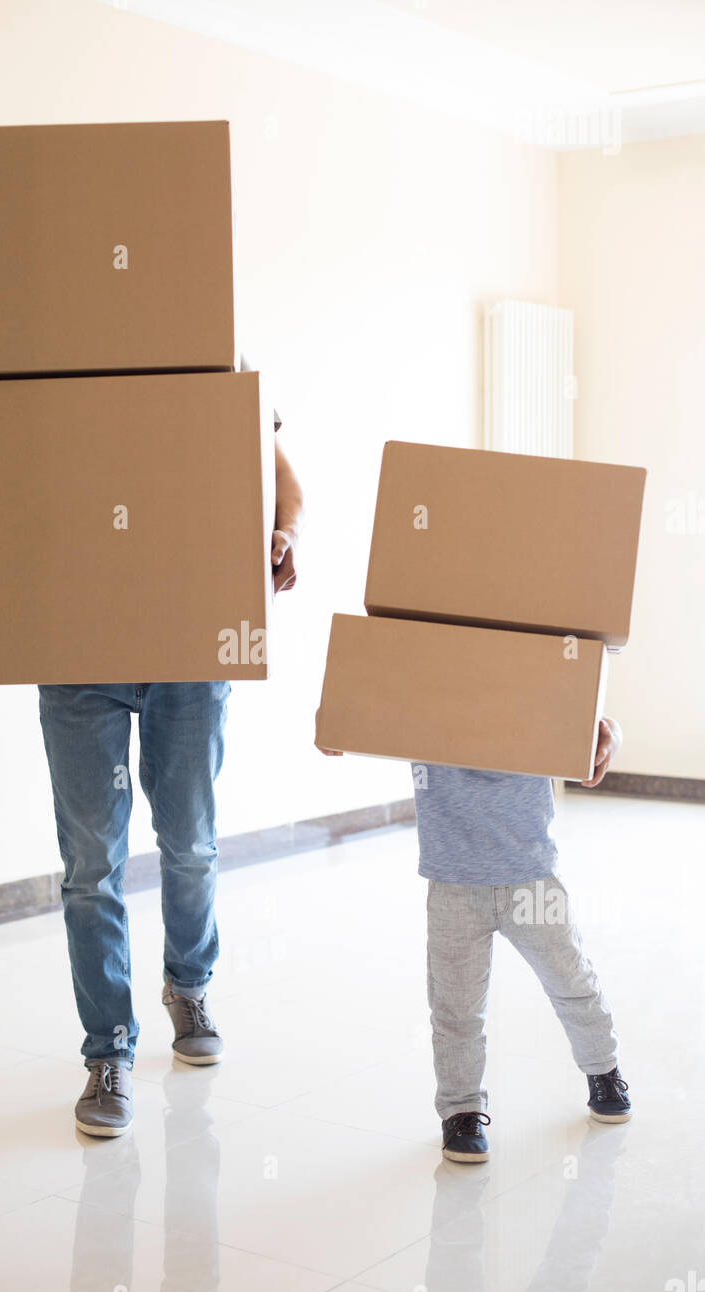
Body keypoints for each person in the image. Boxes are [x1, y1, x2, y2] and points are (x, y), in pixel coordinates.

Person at [41, 376, 303, 1139]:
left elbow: (282, 476)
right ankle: (108, 1050)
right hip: (73, 645)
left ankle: (187, 985)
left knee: (188, 842)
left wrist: (287, 534)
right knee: (92, 864)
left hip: (190, 640)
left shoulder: (212, 349)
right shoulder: (44, 349)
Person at [318, 717, 631, 1162]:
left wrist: (610, 730)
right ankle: (461, 1108)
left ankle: (604, 1070)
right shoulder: (428, 686)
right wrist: (339, 714)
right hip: (454, 882)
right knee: (456, 1008)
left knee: (571, 981)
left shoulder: (529, 672)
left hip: (531, 877)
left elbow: (581, 701)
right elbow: (372, 699)